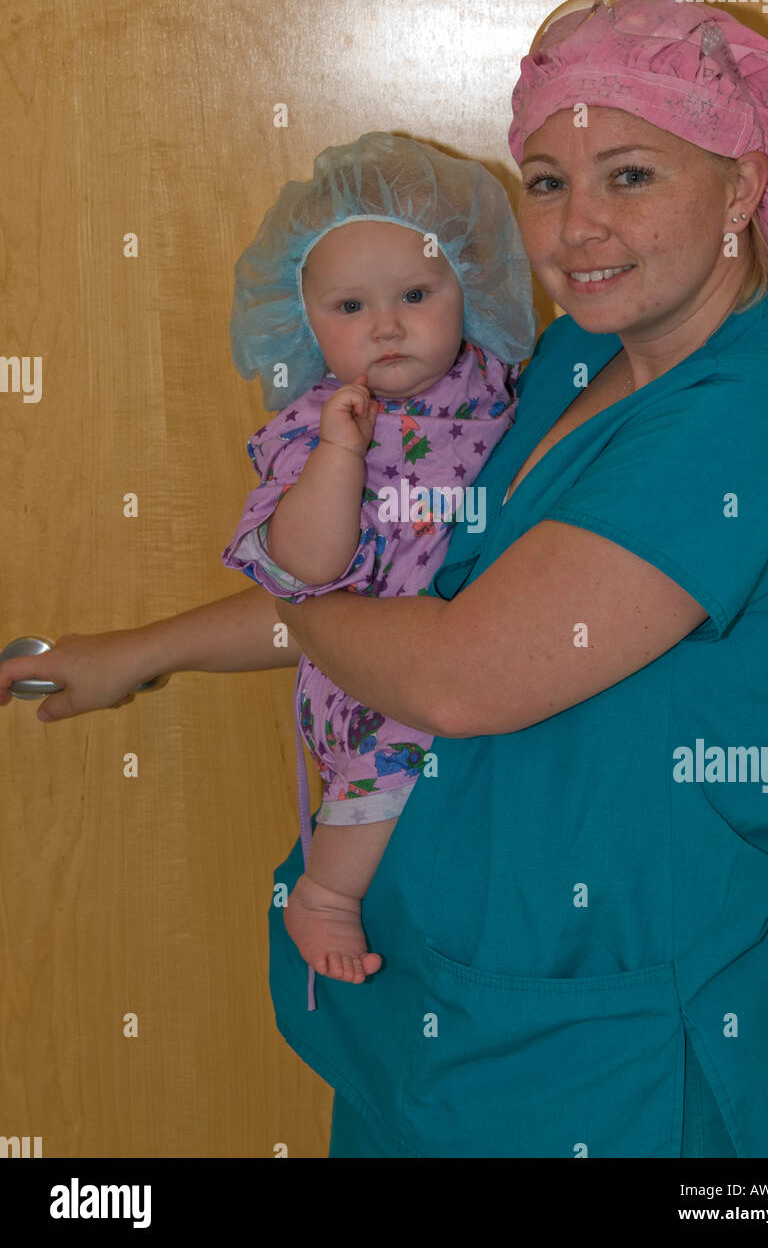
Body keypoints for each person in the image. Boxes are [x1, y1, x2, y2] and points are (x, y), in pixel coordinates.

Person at [2, 0, 768, 1159]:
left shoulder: (747, 419)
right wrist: (131, 652)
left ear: (741, 187)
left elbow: (453, 673)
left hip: (611, 1050)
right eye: (548, 182)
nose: (575, 231)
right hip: (444, 1006)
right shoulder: (570, 361)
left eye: (629, 176)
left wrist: (304, 601)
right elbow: (395, 590)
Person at [218, 131, 536, 1010]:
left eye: (416, 294)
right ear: (304, 322)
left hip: (471, 653)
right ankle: (324, 891)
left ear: (469, 289)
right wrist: (337, 457)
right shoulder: (315, 422)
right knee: (411, 740)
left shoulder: (501, 386)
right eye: (349, 308)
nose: (386, 325)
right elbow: (303, 570)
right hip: (373, 679)